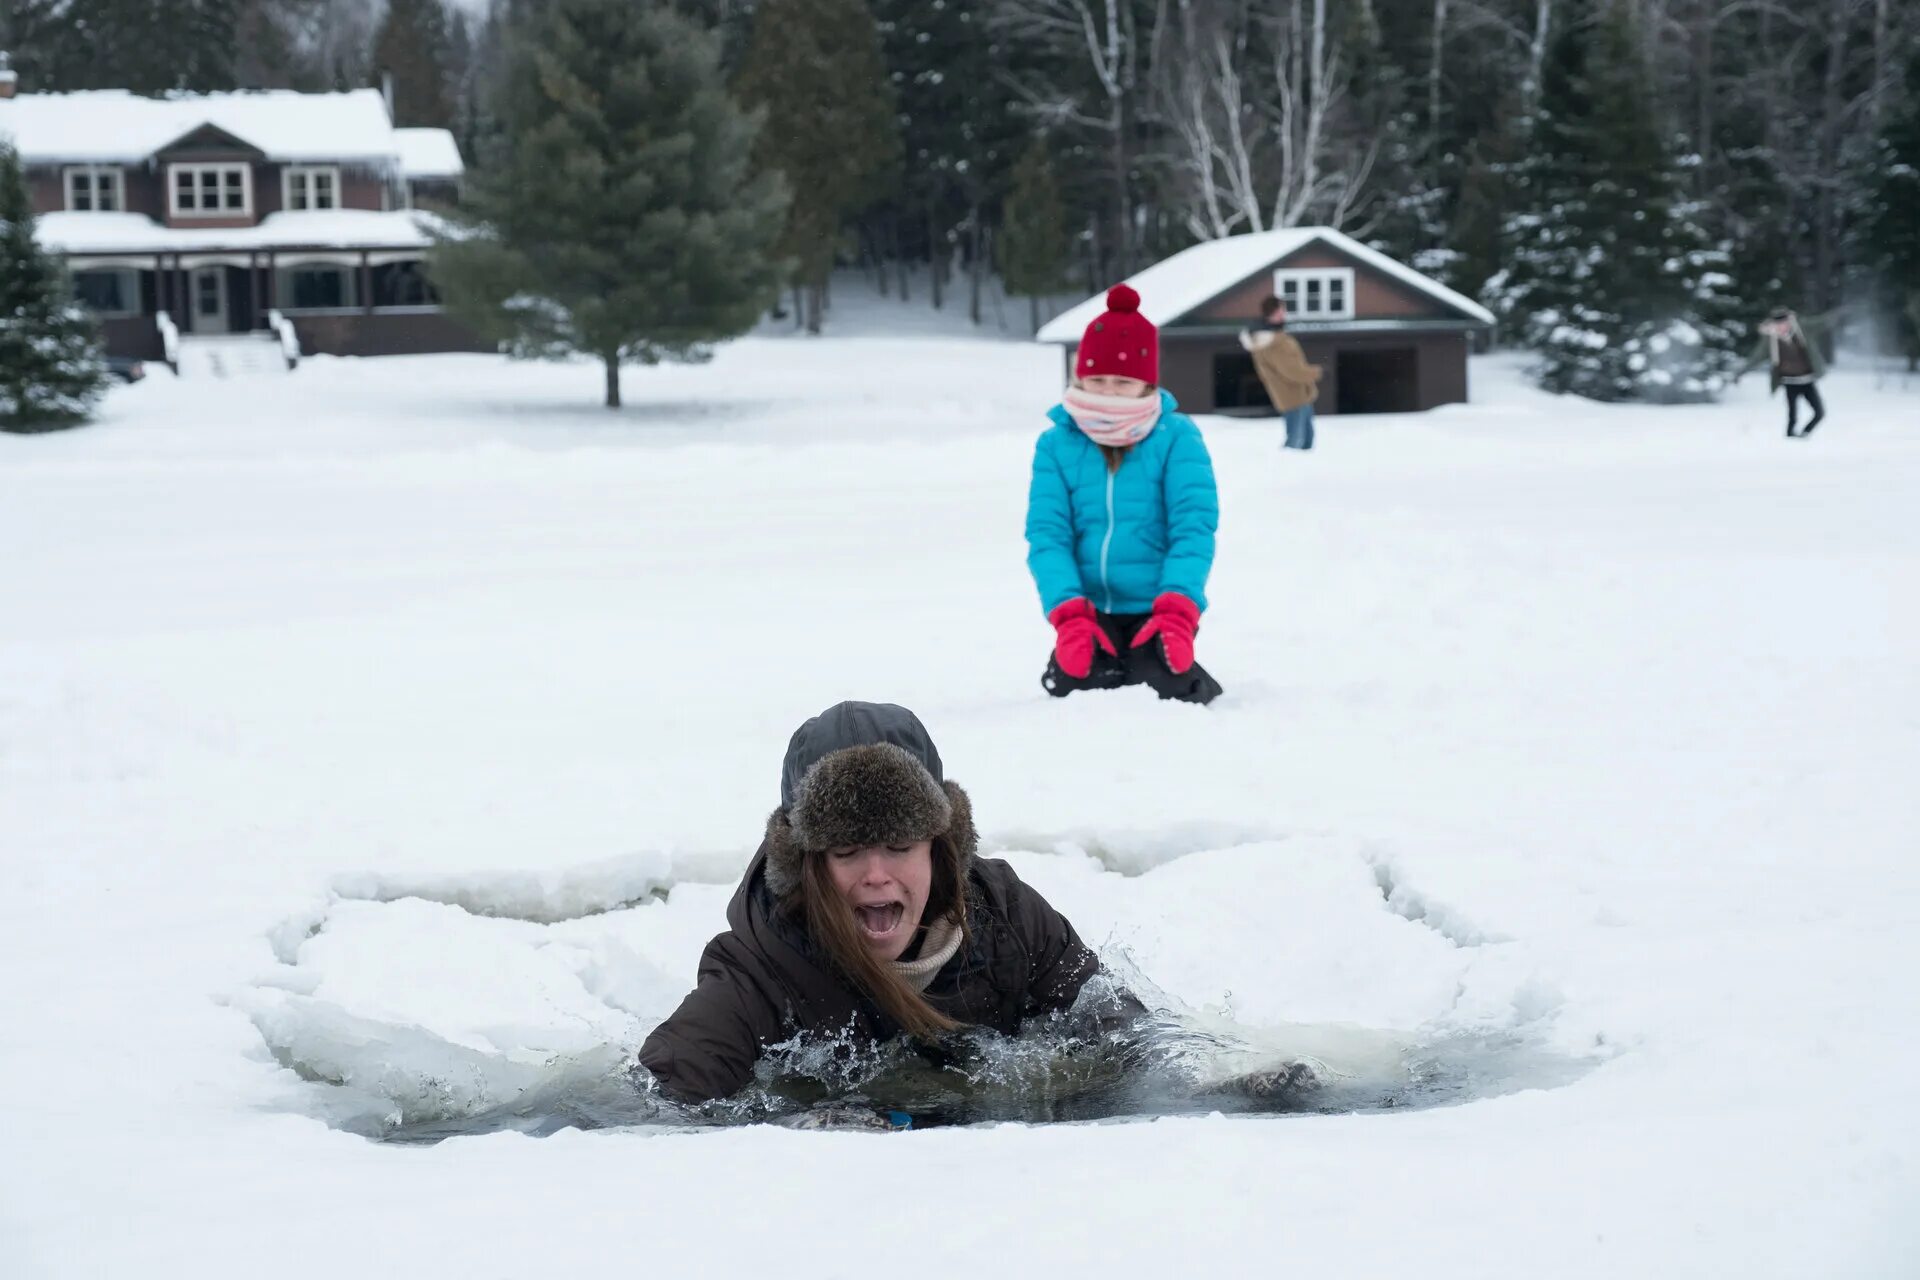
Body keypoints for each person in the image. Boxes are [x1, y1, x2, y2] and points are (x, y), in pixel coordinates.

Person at [637, 702, 1135, 1107]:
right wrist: (793, 1134)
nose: (876, 875)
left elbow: (1126, 1032)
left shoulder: (1005, 913)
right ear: (809, 865)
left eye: (899, 846)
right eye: (847, 851)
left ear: (939, 850)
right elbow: (661, 1102)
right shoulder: (761, 967)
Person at [1026, 284, 1223, 705]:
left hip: (1158, 607)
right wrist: (1070, 615)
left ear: (1147, 383)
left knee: (1169, 688)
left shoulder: (1178, 438)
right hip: (1088, 611)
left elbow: (1193, 530)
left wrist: (1177, 610)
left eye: (1122, 381)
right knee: (1076, 685)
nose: (1108, 392)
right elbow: (1048, 537)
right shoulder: (1056, 444)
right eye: (1097, 379)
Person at [1239, 295, 1323, 449]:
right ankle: (1285, 469)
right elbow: (1291, 371)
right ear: (1272, 312)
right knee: (1297, 442)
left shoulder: (1272, 337)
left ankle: (1300, 470)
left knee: (1305, 441)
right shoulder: (1272, 341)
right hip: (1292, 395)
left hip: (1297, 395)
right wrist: (1316, 373)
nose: (1284, 313)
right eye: (1280, 310)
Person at [1751, 306, 1828, 438]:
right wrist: (1739, 372)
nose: (1782, 327)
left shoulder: (1801, 331)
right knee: (1792, 414)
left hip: (1807, 380)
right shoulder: (1771, 339)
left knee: (1819, 412)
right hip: (1789, 382)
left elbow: (1822, 322)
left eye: (1784, 323)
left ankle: (1805, 434)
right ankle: (1790, 436)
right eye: (1779, 324)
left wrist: (1840, 313)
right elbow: (1756, 357)